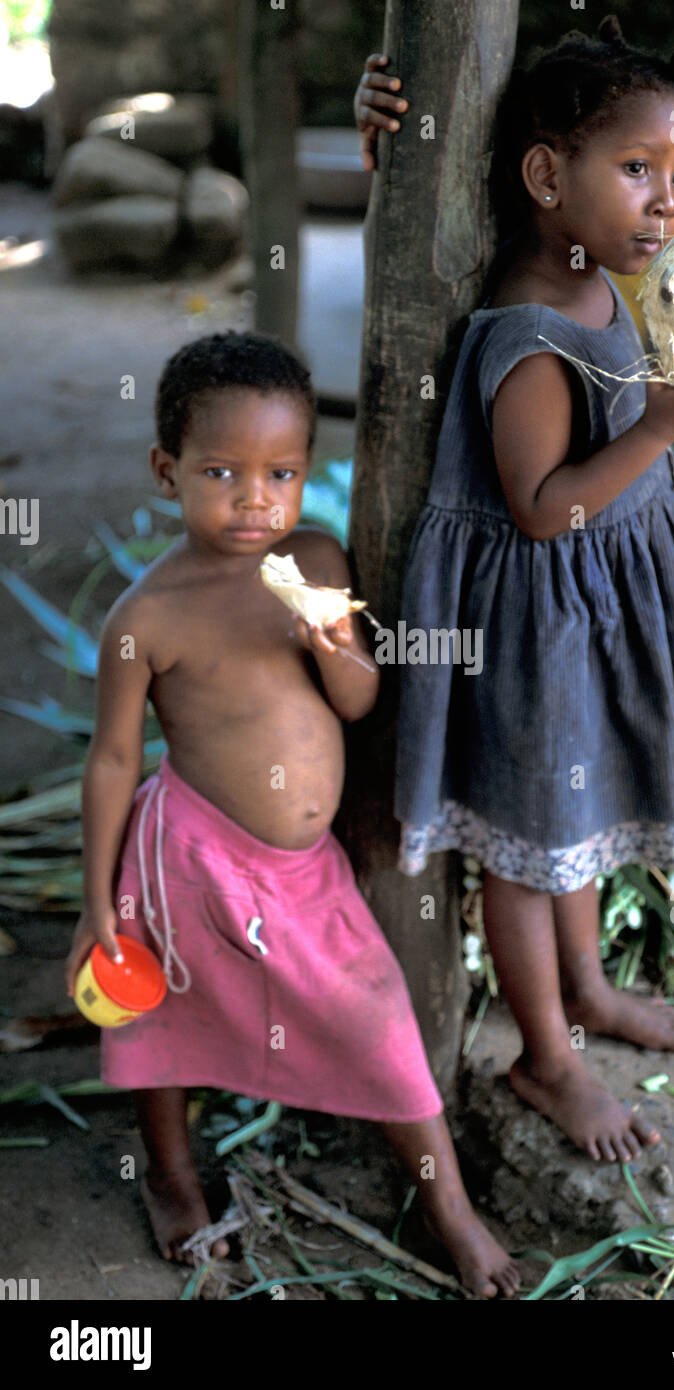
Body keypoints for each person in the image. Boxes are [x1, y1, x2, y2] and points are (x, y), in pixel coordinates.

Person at [355, 19, 674, 1163]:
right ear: (543, 176)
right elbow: (538, 506)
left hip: (581, 611)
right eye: (636, 171)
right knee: (525, 854)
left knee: (559, 830)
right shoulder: (527, 329)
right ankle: (545, 1057)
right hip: (533, 627)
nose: (666, 201)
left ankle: (583, 986)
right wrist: (664, 424)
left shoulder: (588, 272)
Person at [63, 331, 519, 1299]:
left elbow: (357, 702)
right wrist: (95, 898)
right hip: (186, 857)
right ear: (166, 471)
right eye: (220, 471)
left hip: (303, 873)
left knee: (380, 1020)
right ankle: (173, 1175)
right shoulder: (146, 616)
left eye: (280, 472)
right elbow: (111, 760)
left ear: (305, 472)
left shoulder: (313, 558)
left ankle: (451, 1212)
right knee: (159, 1019)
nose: (253, 497)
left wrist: (332, 634)